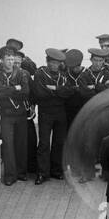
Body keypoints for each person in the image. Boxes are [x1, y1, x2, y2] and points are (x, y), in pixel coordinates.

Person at [30, 47, 77, 183]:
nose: (54, 65)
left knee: (58, 142)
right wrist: (58, 92)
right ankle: (42, 173)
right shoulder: (40, 74)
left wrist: (54, 89)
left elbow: (69, 92)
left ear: (60, 64)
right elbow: (40, 92)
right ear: (47, 61)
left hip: (60, 112)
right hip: (45, 112)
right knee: (44, 143)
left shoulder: (63, 76)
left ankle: (56, 170)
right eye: (51, 62)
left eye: (56, 63)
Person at [0, 45, 33, 184]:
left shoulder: (21, 73)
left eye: (12, 59)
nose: (11, 62)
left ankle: (21, 173)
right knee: (8, 145)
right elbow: (0, 91)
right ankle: (10, 176)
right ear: (2, 60)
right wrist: (14, 88)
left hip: (21, 113)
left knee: (21, 143)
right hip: (6, 114)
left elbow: (25, 91)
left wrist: (11, 90)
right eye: (8, 59)